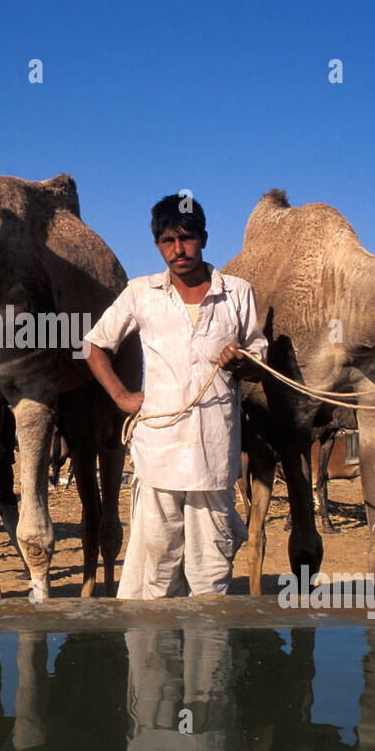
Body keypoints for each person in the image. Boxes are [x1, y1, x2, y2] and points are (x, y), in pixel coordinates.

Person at [83, 194, 268, 598]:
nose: (178, 250)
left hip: (214, 456)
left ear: (203, 238)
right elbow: (95, 346)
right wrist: (121, 396)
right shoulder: (141, 293)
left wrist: (241, 362)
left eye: (186, 238)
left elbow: (259, 357)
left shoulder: (237, 294)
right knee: (159, 569)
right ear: (157, 245)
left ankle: (207, 659)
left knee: (211, 574)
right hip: (159, 453)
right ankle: (160, 660)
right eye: (167, 241)